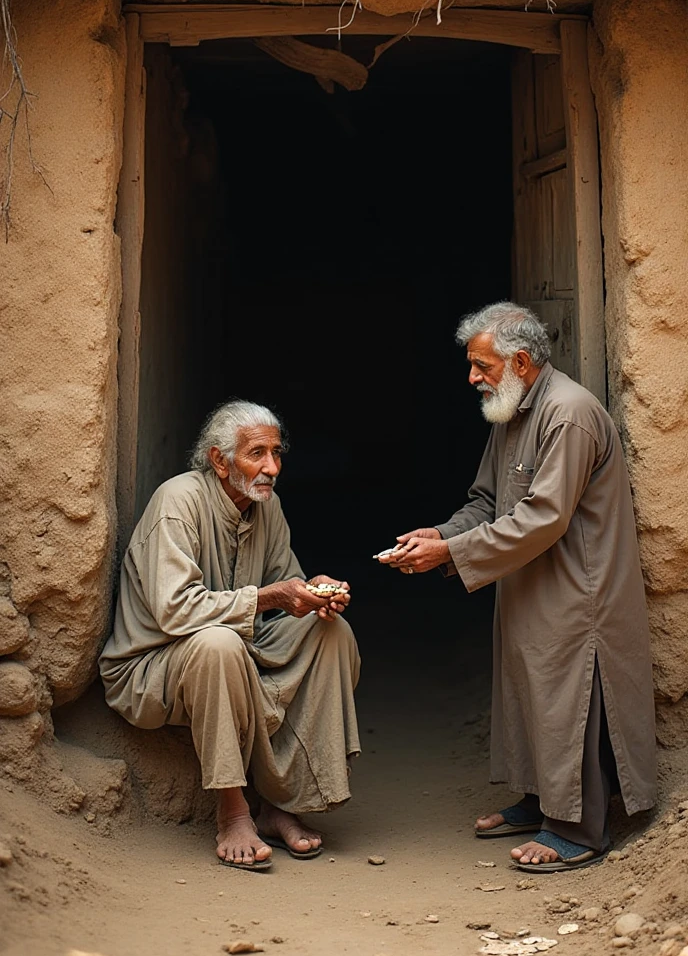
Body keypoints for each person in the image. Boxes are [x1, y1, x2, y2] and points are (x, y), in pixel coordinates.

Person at [379, 301, 656, 872]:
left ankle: (578, 829)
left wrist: (450, 554)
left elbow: (544, 518)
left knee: (568, 700)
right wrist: (439, 534)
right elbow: (487, 501)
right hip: (531, 582)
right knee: (533, 694)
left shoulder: (569, 414)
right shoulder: (512, 411)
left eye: (481, 366)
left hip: (580, 591)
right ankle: (539, 803)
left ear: (522, 362)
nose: (472, 378)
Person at [100, 400, 361, 872]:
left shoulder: (267, 507)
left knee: (331, 633)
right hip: (152, 666)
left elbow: (286, 592)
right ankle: (233, 810)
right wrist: (268, 598)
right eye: (256, 454)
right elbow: (176, 610)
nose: (272, 468)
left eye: (277, 453)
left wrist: (313, 594)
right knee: (216, 645)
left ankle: (282, 805)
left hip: (242, 646)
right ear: (220, 461)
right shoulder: (178, 502)